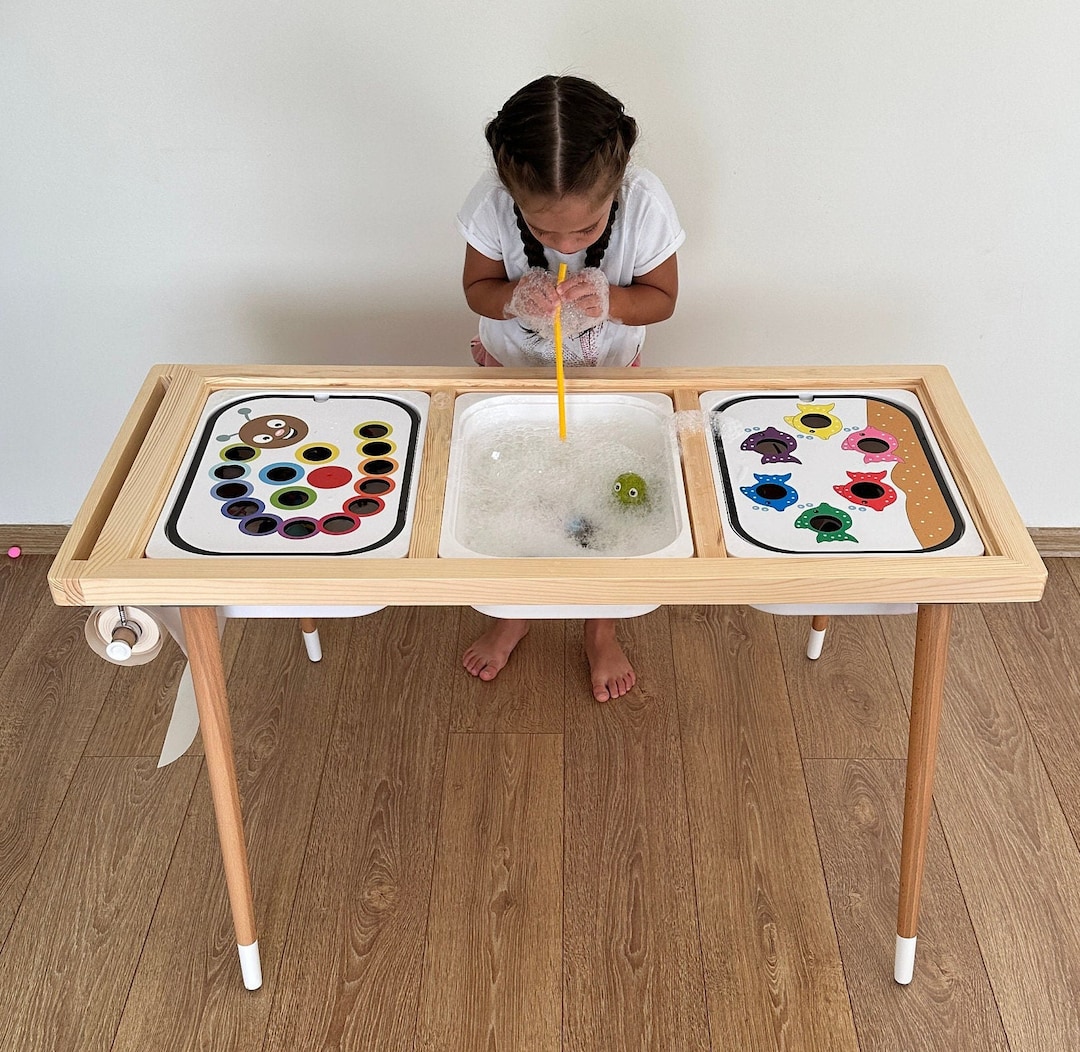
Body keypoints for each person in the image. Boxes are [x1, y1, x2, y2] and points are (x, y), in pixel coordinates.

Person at [455, 74, 684, 702]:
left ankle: (601, 625)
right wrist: (512, 299)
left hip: (608, 373)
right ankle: (515, 610)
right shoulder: (489, 203)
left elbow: (661, 301)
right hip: (512, 372)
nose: (563, 248)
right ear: (512, 196)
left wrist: (610, 301)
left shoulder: (646, 205)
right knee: (521, 492)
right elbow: (477, 290)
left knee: (602, 508)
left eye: (584, 234)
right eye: (544, 230)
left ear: (616, 190)